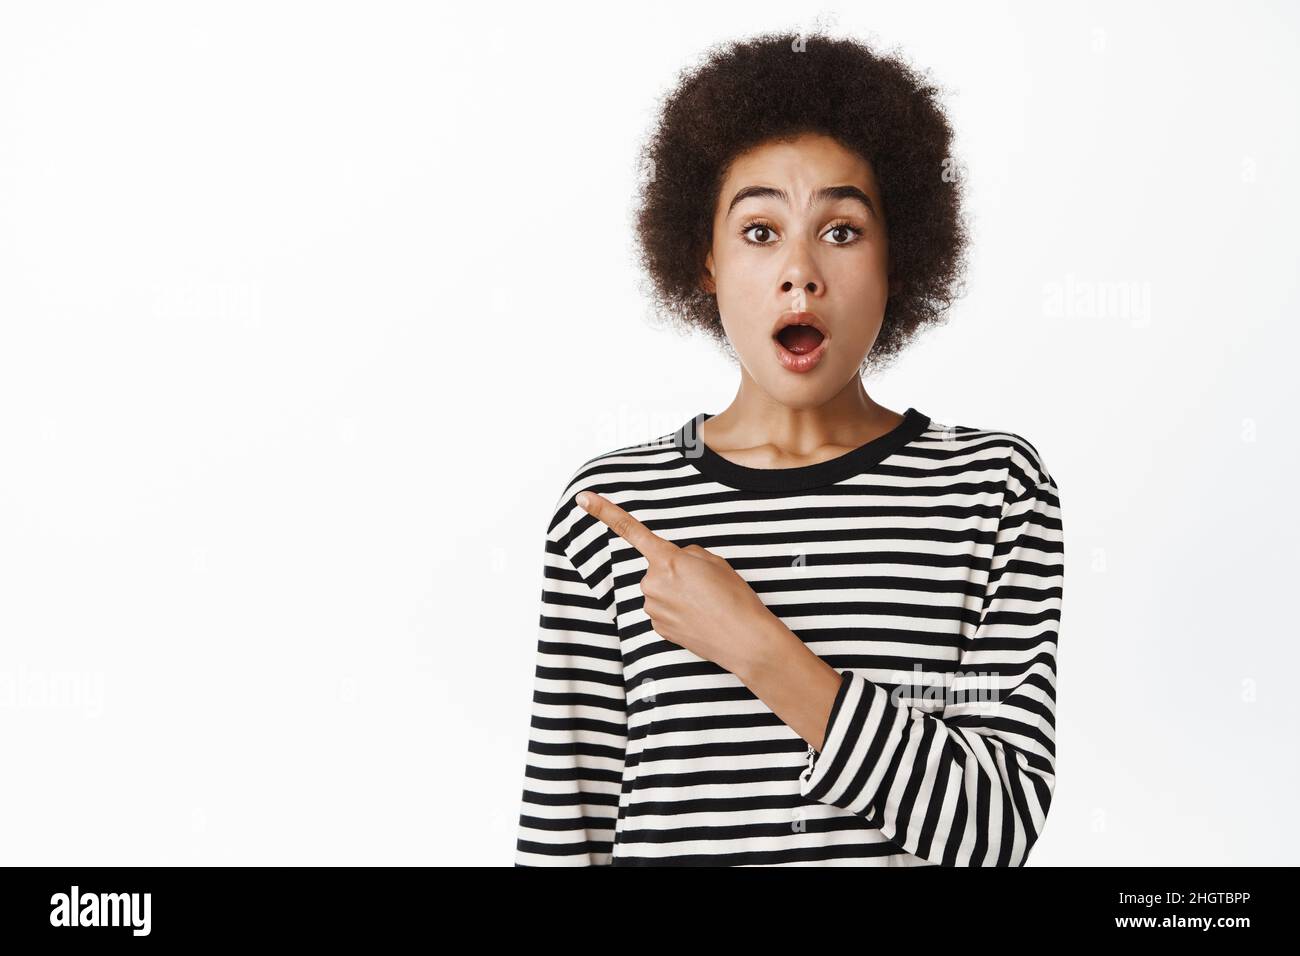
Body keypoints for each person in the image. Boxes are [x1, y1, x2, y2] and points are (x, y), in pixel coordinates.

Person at [514, 29, 1064, 866]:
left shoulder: (991, 493)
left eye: (840, 231)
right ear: (704, 260)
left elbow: (992, 830)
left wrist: (755, 647)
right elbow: (565, 833)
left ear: (896, 258)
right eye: (760, 231)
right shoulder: (610, 513)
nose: (799, 273)